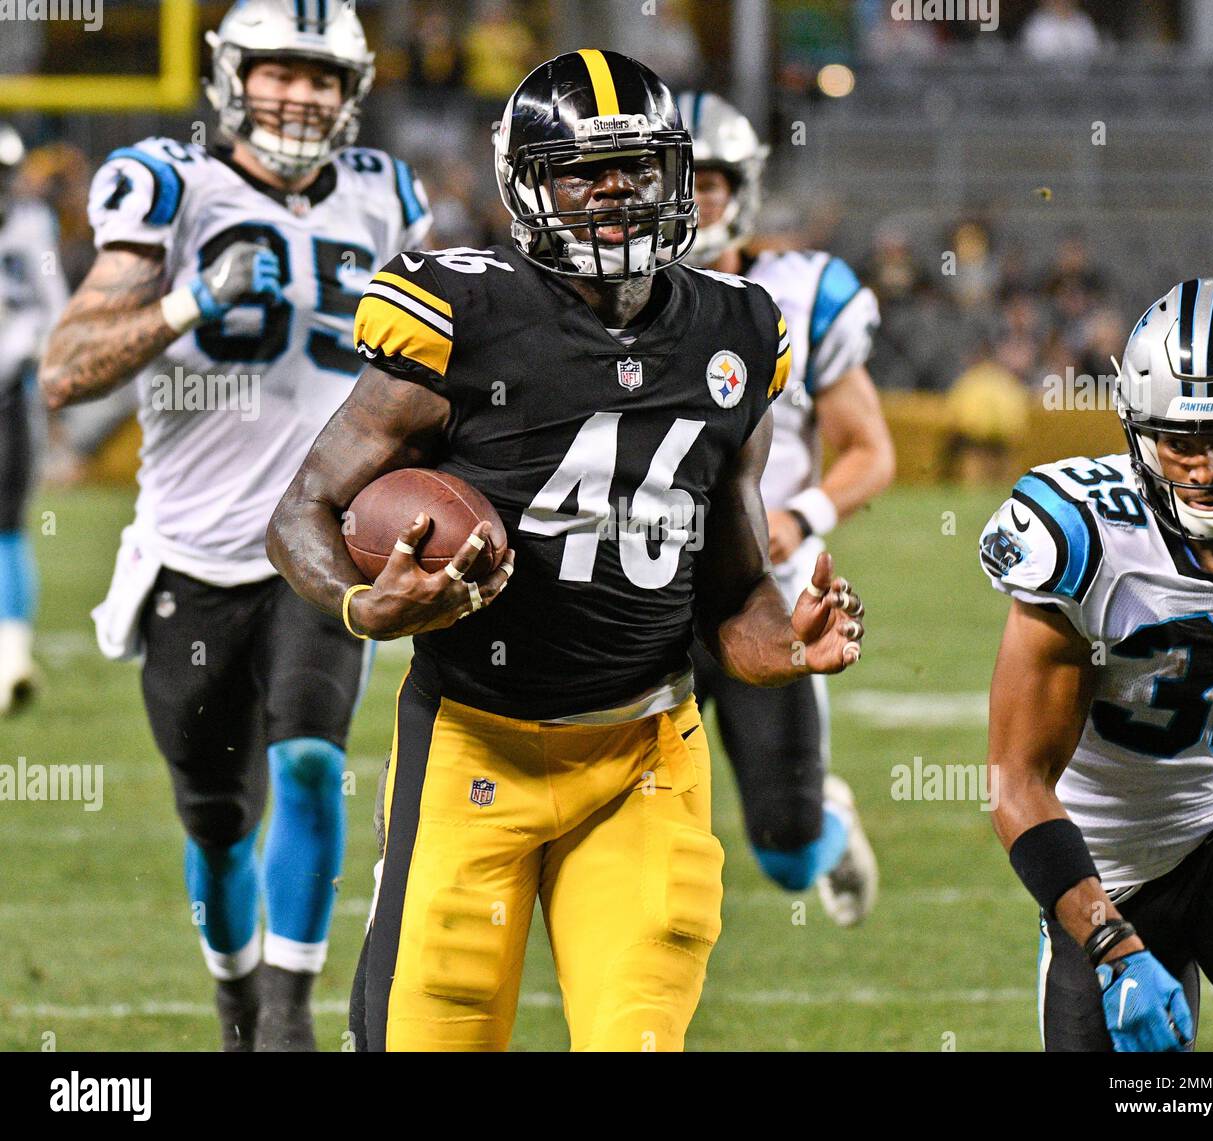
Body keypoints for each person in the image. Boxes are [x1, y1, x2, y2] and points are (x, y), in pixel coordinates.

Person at [267, 49, 865, 1052]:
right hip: (473, 747)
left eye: (635, 165)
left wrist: (786, 640)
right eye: (581, 171)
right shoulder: (463, 316)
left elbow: (731, 590)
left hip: (642, 755)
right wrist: (354, 606)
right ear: (524, 185)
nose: (614, 192)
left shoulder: (737, 331)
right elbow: (301, 511)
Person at [38, 0, 430, 1051]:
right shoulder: (172, 186)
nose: (298, 95)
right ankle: (234, 987)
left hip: (322, 541)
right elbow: (64, 371)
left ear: (350, 93)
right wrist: (183, 305)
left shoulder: (387, 198)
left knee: (310, 759)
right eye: (278, 71)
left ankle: (289, 1016)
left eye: (321, 77)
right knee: (216, 820)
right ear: (232, 76)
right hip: (194, 551)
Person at [980, 277, 1213, 1052]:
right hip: (1103, 863)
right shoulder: (1086, 535)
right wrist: (1104, 937)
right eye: (1179, 441)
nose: (1203, 466)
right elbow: (1015, 781)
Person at [676, 91, 892, 925]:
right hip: (647, 594)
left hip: (769, 596)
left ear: (744, 191)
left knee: (788, 849)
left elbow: (871, 451)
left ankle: (826, 822)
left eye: (710, 182)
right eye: (674, 180)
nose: (692, 201)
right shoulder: (601, 298)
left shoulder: (800, 292)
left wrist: (799, 516)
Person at [0, 123, 68, 714]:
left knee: (8, 524)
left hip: (8, 394)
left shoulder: (30, 225)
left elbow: (54, 312)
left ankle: (11, 656)